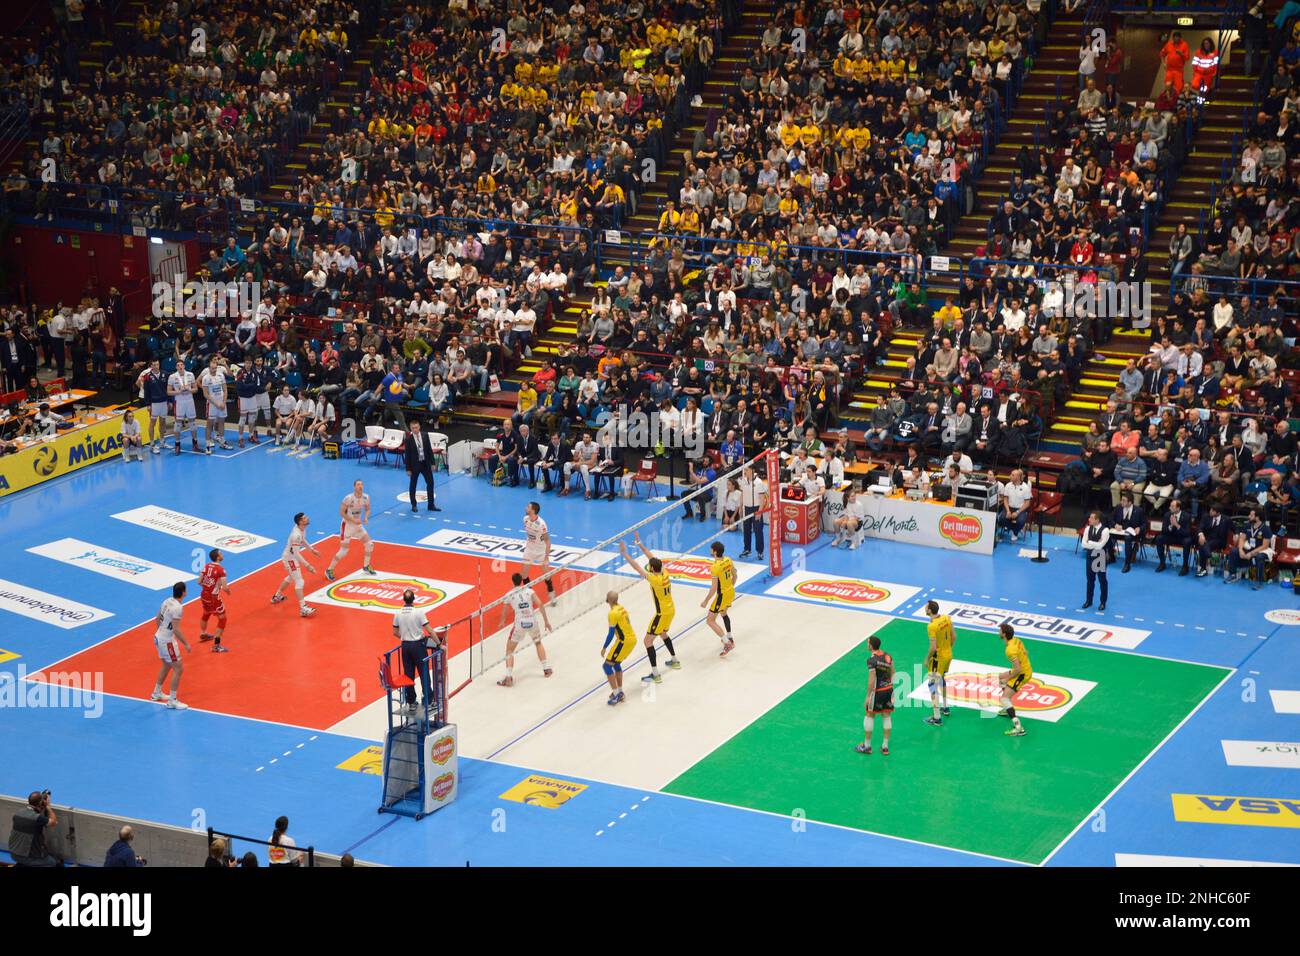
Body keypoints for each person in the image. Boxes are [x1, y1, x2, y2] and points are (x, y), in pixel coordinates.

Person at [619, 534, 680, 682]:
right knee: (663, 634)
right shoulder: (664, 572)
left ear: (652, 569)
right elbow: (651, 557)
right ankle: (674, 660)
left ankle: (656, 674)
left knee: (647, 641)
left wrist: (624, 553)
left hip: (661, 613)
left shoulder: (654, 579)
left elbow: (637, 567)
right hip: (671, 610)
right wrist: (640, 544)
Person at [496, 572, 553, 687]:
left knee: (509, 651)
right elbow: (540, 604)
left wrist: (502, 621)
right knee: (538, 643)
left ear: (512, 582)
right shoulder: (529, 591)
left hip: (520, 624)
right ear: (521, 581)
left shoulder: (509, 595)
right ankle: (546, 669)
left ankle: (508, 677)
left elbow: (505, 611)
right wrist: (546, 621)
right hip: (532, 621)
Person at [393, 588, 438, 712]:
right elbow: (429, 630)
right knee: (424, 673)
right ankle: (429, 701)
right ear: (413, 599)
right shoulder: (418, 612)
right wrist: (439, 643)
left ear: (403, 599)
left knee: (409, 674)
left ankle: (411, 702)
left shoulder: (397, 613)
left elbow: (395, 632)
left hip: (405, 647)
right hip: (418, 646)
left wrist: (405, 637)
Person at [150, 581, 192, 709]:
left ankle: (156, 693)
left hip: (158, 637)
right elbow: (176, 629)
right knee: (178, 669)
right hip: (167, 641)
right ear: (183, 593)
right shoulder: (178, 608)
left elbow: (157, 618)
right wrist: (186, 643)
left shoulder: (167, 600)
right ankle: (172, 701)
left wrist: (161, 633)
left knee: (167, 664)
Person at [271, 512, 319, 617]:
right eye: (305, 518)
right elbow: (297, 554)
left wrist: (312, 550)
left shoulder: (301, 529)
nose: (307, 518)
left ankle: (277, 596)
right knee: (299, 581)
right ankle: (303, 608)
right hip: (290, 559)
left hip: (291, 557)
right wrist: (308, 566)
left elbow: (303, 540)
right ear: (301, 522)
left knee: (291, 577)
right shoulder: (296, 535)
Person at [327, 479, 377, 579]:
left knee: (369, 544)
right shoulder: (348, 498)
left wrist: (366, 517)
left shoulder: (366, 497)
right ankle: (329, 570)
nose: (360, 486)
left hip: (358, 525)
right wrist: (353, 520)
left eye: (362, 484)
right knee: (344, 551)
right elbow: (341, 512)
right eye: (358, 484)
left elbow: (367, 509)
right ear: (354, 487)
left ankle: (366, 566)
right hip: (347, 526)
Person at [856, 635, 894, 755]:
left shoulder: (871, 661)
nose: (867, 645)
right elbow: (893, 672)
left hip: (877, 692)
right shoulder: (888, 656)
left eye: (868, 643)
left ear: (871, 646)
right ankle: (885, 746)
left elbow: (872, 681)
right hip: (888, 689)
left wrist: (868, 696)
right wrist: (891, 689)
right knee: (886, 716)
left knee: (869, 715)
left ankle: (867, 746)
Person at [701, 540, 737, 655]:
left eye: (711, 549)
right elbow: (735, 575)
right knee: (723, 613)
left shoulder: (715, 567)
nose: (710, 550)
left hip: (722, 595)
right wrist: (730, 587)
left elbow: (713, 588)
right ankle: (730, 637)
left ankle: (727, 643)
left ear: (715, 552)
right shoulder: (728, 560)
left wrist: (706, 601)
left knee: (710, 620)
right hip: (731, 591)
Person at [923, 600, 955, 726]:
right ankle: (946, 707)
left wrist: (927, 659)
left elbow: (932, 647)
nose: (925, 609)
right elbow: (954, 637)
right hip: (948, 654)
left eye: (926, 607)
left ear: (930, 610)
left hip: (938, 658)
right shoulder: (947, 618)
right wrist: (947, 648)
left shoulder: (932, 626)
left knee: (932, 686)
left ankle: (937, 717)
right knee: (942, 679)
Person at [602, 590, 637, 706]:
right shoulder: (622, 608)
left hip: (624, 641)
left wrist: (604, 647)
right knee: (616, 664)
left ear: (608, 600)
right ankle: (620, 692)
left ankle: (616, 694)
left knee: (607, 666)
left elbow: (611, 633)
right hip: (632, 639)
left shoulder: (612, 613)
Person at [7, 790, 60, 866]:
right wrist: (48, 807)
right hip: (29, 857)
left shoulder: (18, 813)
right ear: (41, 803)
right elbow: (54, 822)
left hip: (14, 854)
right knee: (53, 862)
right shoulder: (38, 818)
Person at [998, 623, 1031, 738]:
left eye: (1000, 631)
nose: (998, 632)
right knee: (1000, 677)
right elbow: (1026, 652)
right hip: (1023, 669)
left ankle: (1018, 728)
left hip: (1022, 674)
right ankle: (1007, 709)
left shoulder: (1010, 649)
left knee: (1004, 699)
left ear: (1004, 634)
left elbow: (1017, 669)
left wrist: (1008, 678)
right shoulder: (1016, 640)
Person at [1226, 509, 1273, 588]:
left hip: (1261, 550)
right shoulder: (1247, 525)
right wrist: (1240, 550)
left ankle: (1259, 582)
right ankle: (1233, 575)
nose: (1248, 517)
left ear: (1257, 517)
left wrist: (1251, 553)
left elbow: (1265, 546)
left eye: (1251, 515)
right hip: (1249, 548)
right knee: (1234, 551)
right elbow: (1242, 538)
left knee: (1259, 557)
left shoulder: (1266, 529)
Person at [403, 418, 441, 512]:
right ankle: (414, 505)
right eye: (413, 428)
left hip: (425, 464)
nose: (415, 429)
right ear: (410, 428)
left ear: (419, 427)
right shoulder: (408, 439)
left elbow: (429, 450)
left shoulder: (425, 435)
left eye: (416, 427)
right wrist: (408, 469)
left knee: (430, 483)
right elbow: (407, 455)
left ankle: (431, 505)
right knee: (413, 485)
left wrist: (432, 463)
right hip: (414, 466)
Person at [522, 500, 555, 605]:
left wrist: (546, 558)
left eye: (528, 507)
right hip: (529, 549)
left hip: (541, 550)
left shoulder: (542, 524)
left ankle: (551, 593)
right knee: (524, 574)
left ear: (533, 510)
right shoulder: (525, 519)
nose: (526, 508)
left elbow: (548, 541)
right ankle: (530, 595)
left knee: (546, 574)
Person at [197, 548, 231, 652]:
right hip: (213, 597)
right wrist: (228, 591)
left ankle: (203, 633)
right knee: (222, 619)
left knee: (206, 613)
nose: (222, 554)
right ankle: (216, 645)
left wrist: (208, 587)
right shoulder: (221, 570)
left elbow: (199, 581)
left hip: (204, 594)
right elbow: (225, 587)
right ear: (217, 557)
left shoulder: (206, 566)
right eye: (221, 553)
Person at [198, 355, 232, 453]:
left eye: (215, 368)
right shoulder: (205, 378)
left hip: (222, 403)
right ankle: (208, 446)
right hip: (212, 404)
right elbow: (206, 394)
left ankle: (222, 442)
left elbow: (225, 390)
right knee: (210, 424)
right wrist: (217, 403)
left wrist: (223, 402)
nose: (214, 370)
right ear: (209, 368)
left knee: (221, 422)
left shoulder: (221, 375)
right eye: (212, 368)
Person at [136, 358, 169, 453]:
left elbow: (168, 388)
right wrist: (148, 404)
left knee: (162, 422)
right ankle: (152, 444)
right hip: (154, 404)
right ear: (151, 366)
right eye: (154, 365)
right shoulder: (147, 377)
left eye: (157, 364)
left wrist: (170, 401)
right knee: (152, 423)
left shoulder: (165, 374)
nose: (156, 366)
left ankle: (162, 442)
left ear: (159, 365)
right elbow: (146, 392)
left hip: (164, 402)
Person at [1079, 510, 1110, 611]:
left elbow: (1101, 546)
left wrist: (1090, 542)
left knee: (1102, 580)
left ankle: (1103, 602)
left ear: (1097, 520)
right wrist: (1095, 544)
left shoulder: (1105, 530)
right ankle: (1089, 600)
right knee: (1090, 580)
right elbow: (1083, 544)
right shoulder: (1088, 528)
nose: (1089, 519)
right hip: (1090, 556)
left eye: (1091, 518)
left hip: (1100, 557)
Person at [737, 462, 769, 558]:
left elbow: (762, 498)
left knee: (758, 530)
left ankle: (760, 551)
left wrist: (759, 511)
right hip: (746, 508)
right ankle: (747, 549)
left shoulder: (759, 482)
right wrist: (740, 507)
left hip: (756, 509)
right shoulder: (743, 480)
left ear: (752, 470)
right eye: (744, 470)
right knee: (746, 530)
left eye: (746, 470)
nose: (745, 471)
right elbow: (742, 494)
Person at [167, 358, 199, 454]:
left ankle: (195, 444)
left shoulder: (190, 375)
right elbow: (168, 392)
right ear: (176, 367)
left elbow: (196, 389)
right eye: (178, 365)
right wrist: (178, 391)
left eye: (181, 365)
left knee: (192, 423)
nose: (180, 366)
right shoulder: (172, 377)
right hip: (179, 401)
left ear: (184, 366)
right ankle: (177, 445)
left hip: (189, 400)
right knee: (177, 424)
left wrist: (189, 390)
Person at [1155, 498, 1193, 575]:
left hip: (1182, 537)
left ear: (1178, 508)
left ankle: (1185, 567)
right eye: (1170, 506)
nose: (1169, 508)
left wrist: (1177, 525)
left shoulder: (1187, 516)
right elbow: (1163, 530)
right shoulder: (1167, 515)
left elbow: (1187, 533)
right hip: (1171, 536)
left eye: (1172, 506)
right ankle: (1162, 563)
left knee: (1187, 541)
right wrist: (1171, 526)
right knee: (1159, 538)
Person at [1110, 490, 1145, 572]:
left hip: (1132, 532)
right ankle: (1111, 557)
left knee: (1128, 538)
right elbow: (1110, 519)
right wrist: (1115, 525)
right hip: (1119, 531)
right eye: (1121, 500)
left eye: (1123, 501)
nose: (1121, 502)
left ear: (1130, 503)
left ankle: (1127, 563)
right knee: (1108, 535)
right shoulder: (1118, 507)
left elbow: (1144, 524)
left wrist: (1139, 528)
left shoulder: (1139, 511)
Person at [1194, 503, 1231, 578]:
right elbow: (1200, 527)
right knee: (1202, 543)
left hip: (1220, 541)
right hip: (1207, 539)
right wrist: (1201, 534)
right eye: (1210, 509)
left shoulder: (1226, 519)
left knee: (1203, 544)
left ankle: (1203, 567)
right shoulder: (1206, 517)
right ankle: (1207, 557)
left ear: (1218, 513)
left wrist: (1236, 534)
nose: (1210, 511)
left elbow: (1235, 528)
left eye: (1212, 511)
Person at [997, 469, 1033, 541]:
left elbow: (1027, 503)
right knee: (1001, 519)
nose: (1010, 476)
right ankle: (1013, 529)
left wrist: (1017, 512)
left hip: (1020, 509)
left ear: (1018, 477)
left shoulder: (1025, 487)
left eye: (1012, 475)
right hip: (1009, 508)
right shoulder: (1007, 485)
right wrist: (1007, 511)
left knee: (1020, 521)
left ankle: (1015, 532)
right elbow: (1005, 499)